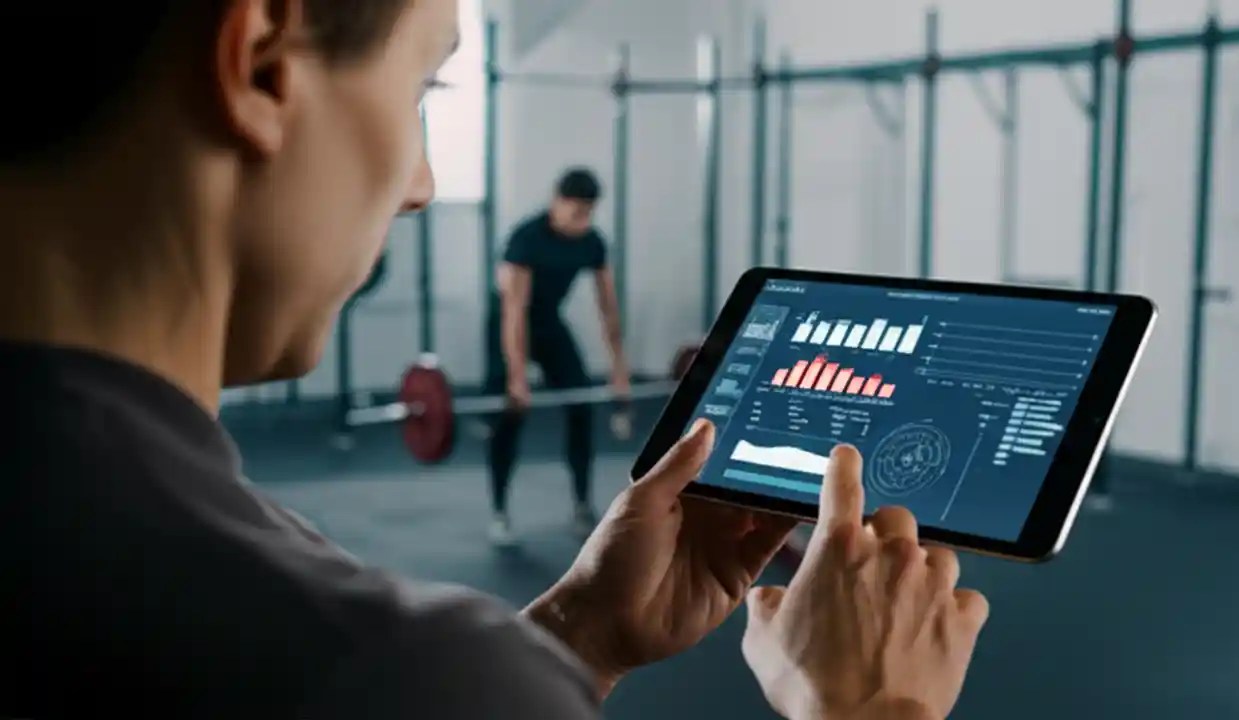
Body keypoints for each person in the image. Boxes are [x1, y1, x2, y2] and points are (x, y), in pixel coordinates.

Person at [0, 1, 989, 718]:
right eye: (421, 89)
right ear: (262, 62)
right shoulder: (380, 671)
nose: (422, 184)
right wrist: (874, 709)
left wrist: (578, 635)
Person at [486, 167, 630, 546]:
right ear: (556, 201)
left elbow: (608, 310)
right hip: (506, 325)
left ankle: (582, 504)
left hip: (549, 323)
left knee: (581, 406)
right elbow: (514, 312)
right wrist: (517, 376)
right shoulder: (526, 238)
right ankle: (500, 511)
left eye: (588, 213)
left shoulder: (592, 242)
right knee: (510, 415)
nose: (582, 220)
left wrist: (619, 371)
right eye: (575, 212)